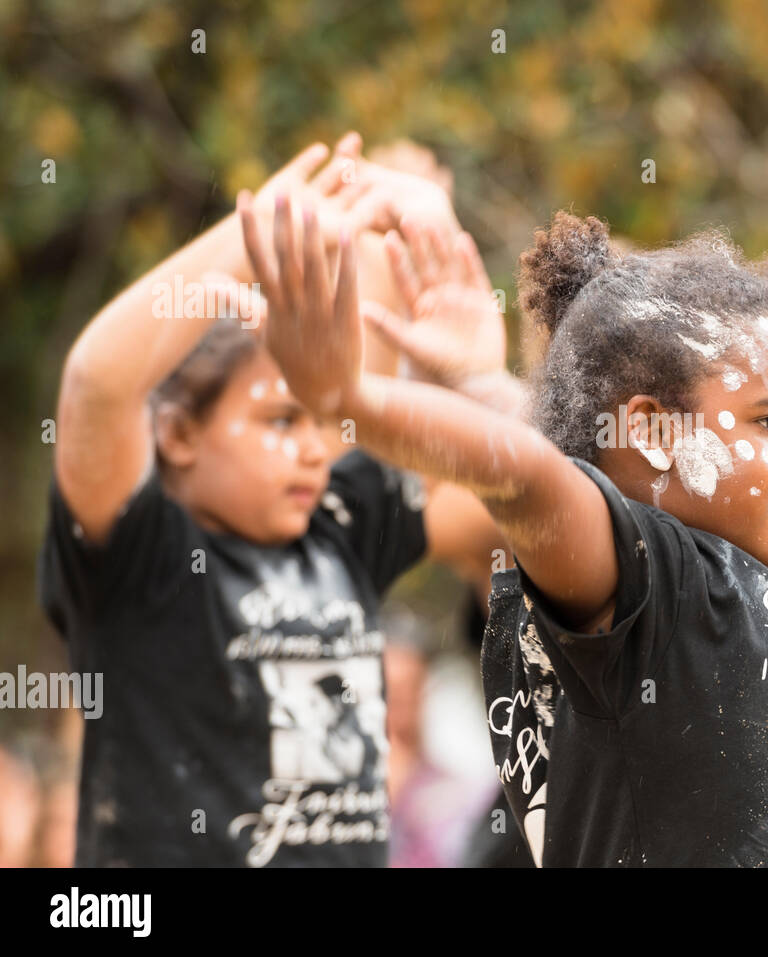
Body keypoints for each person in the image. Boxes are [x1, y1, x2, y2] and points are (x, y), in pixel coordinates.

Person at [241, 196, 768, 867]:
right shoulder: (653, 582)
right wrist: (352, 402)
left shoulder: (714, 578)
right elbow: (530, 478)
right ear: (654, 430)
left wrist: (481, 381)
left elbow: (564, 465)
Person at [38, 138, 498, 867]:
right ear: (179, 431)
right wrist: (271, 232)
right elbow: (99, 382)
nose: (316, 448)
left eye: (319, 422)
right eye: (280, 421)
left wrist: (399, 243)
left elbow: (513, 491)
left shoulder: (340, 527)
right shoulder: (140, 549)